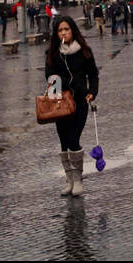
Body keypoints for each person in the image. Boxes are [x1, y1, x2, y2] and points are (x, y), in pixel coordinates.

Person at [44, 16, 99, 198]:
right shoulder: (53, 52)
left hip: (80, 102)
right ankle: (69, 180)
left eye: (66, 29)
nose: (63, 33)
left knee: (74, 139)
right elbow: (49, 75)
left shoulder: (83, 50)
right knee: (64, 141)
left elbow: (93, 74)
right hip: (61, 104)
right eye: (60, 30)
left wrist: (92, 91)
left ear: (72, 30)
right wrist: (56, 85)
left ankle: (78, 180)